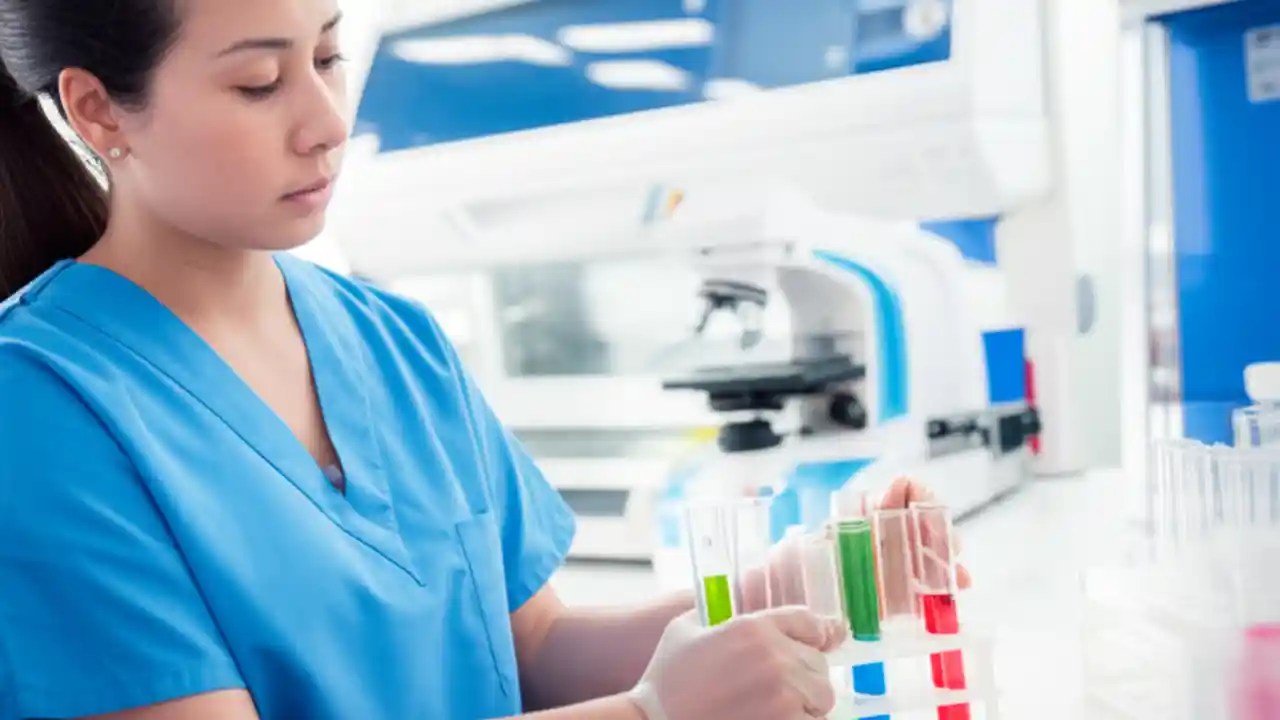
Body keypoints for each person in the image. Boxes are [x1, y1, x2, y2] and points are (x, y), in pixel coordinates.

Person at [0, 1, 962, 718]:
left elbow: (533, 650)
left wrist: (803, 583)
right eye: (259, 83)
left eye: (330, 57)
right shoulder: (41, 405)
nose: (327, 119)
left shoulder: (394, 344)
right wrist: (651, 714)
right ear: (99, 112)